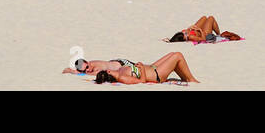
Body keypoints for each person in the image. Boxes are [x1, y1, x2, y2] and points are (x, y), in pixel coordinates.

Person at [70, 52, 198, 85]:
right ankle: (191, 80)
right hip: (156, 74)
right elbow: (141, 81)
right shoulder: (121, 77)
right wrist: (141, 68)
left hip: (152, 68)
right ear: (108, 72)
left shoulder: (119, 73)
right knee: (177, 55)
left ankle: (186, 78)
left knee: (172, 54)